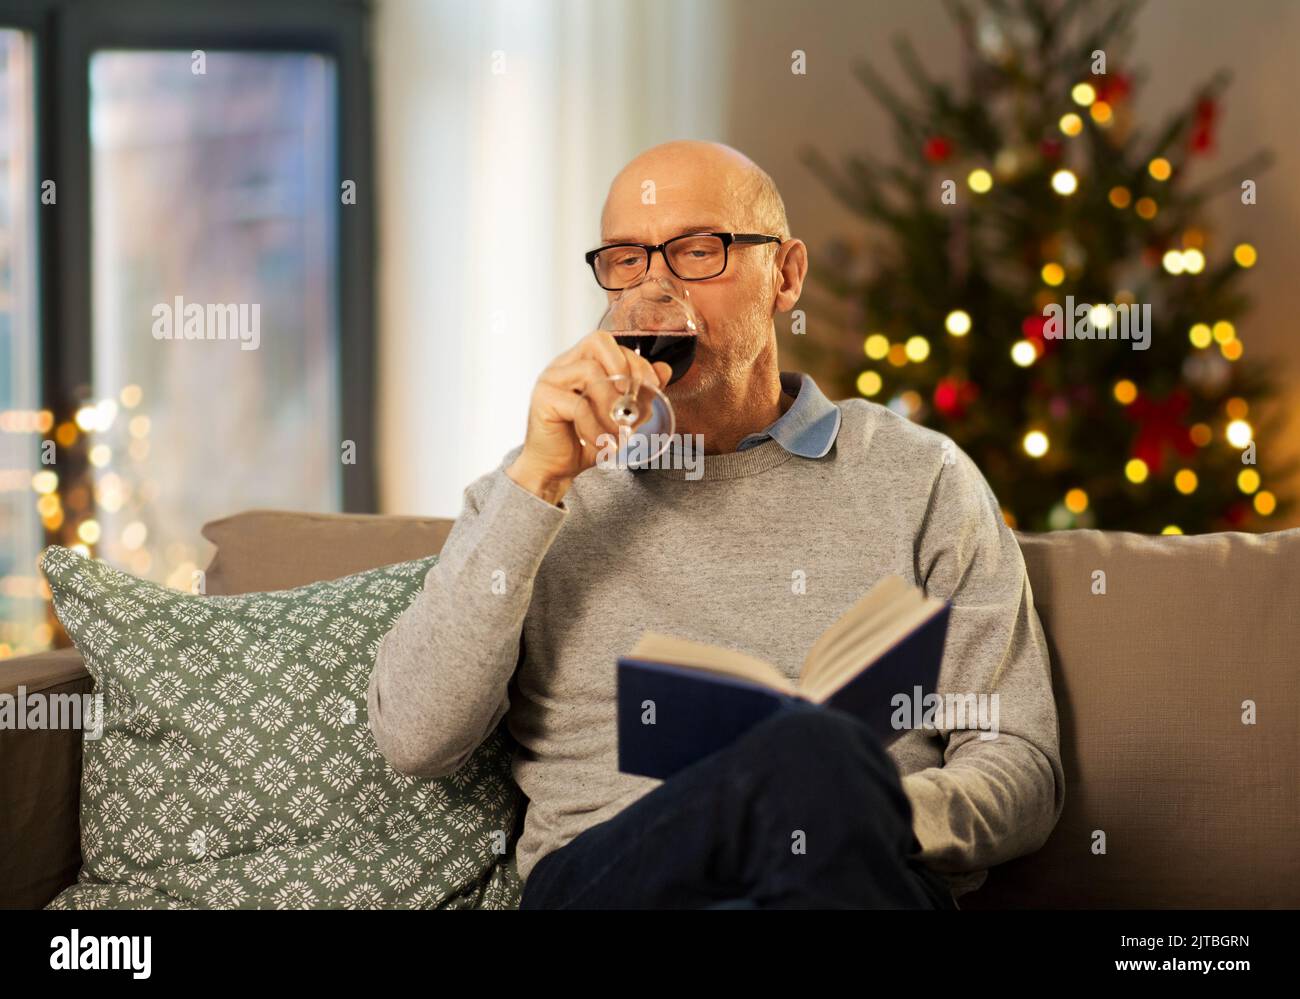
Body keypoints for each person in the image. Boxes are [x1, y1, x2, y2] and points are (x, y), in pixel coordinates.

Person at [368, 140, 1065, 909]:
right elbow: (417, 736)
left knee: (813, 760)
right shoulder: (540, 487)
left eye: (698, 251)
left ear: (786, 275)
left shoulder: (922, 478)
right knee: (811, 752)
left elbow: (1018, 765)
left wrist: (842, 802)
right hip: (618, 882)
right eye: (627, 261)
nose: (656, 288)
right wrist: (539, 481)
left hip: (861, 877)